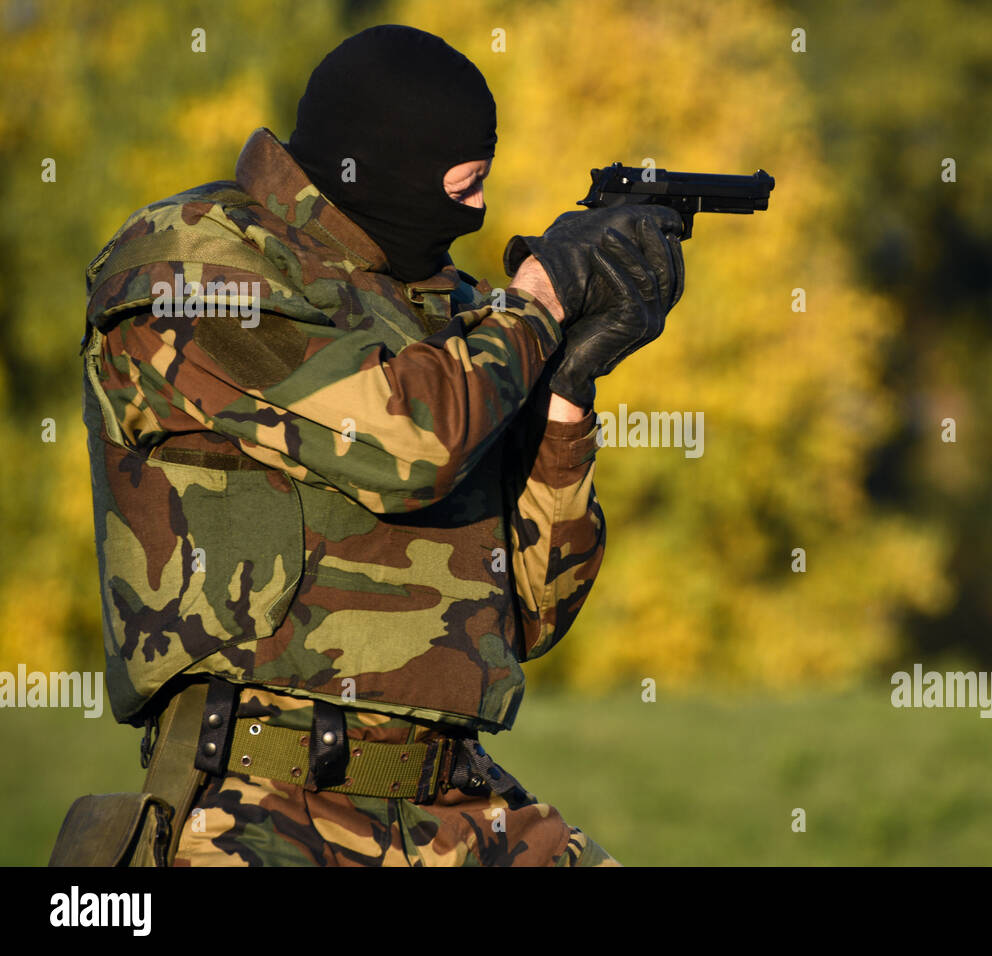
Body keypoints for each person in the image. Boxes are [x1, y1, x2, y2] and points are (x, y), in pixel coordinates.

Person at [79, 24, 683, 866]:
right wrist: (538, 305)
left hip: (454, 805)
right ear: (381, 163)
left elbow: (535, 609)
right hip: (260, 810)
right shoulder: (189, 268)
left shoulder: (452, 318)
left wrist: (567, 394)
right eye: (461, 186)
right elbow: (401, 443)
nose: (473, 214)